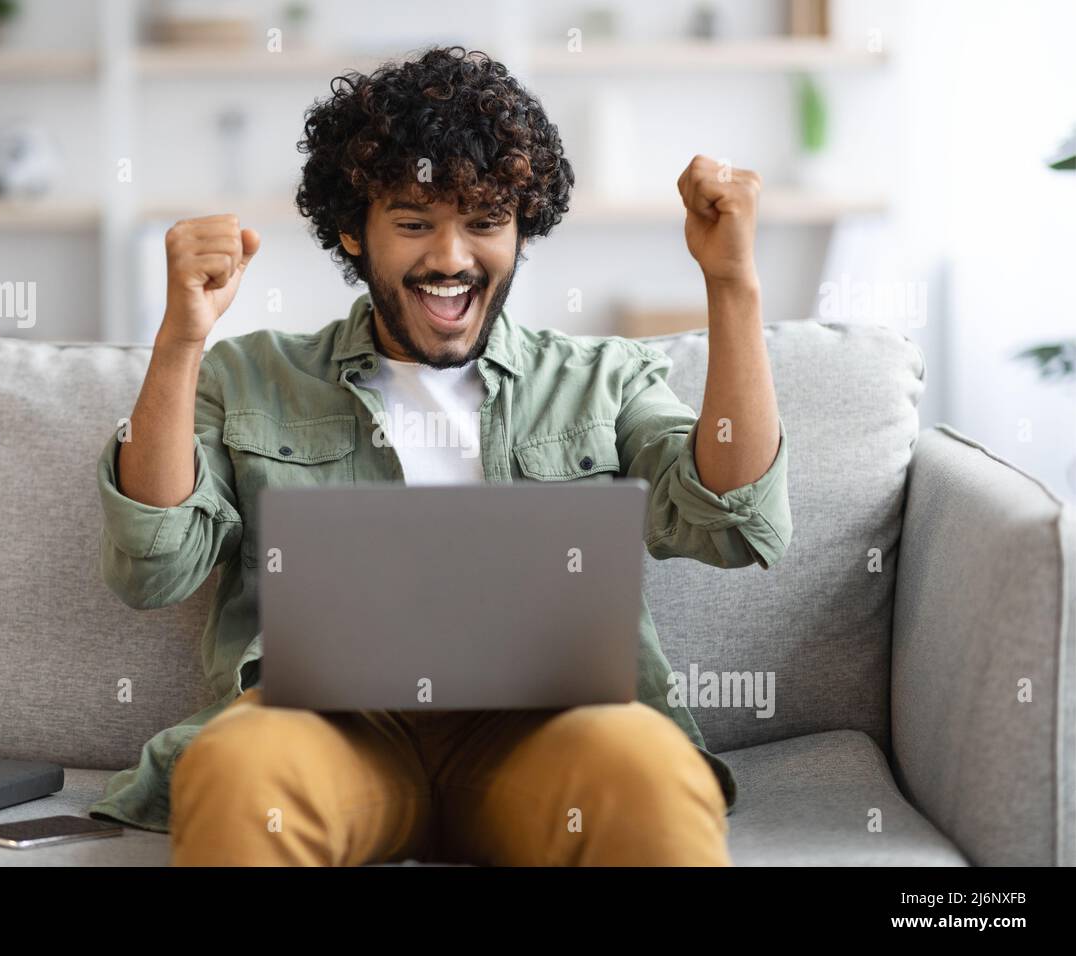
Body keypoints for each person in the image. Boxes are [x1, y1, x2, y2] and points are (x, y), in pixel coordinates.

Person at [88, 45, 792, 866]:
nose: (452, 258)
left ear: (522, 232)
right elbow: (152, 567)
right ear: (354, 231)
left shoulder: (603, 378)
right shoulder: (248, 376)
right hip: (329, 733)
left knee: (654, 775)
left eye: (486, 223)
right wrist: (180, 340)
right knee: (236, 769)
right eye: (415, 223)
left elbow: (736, 525)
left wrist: (733, 285)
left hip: (549, 732)